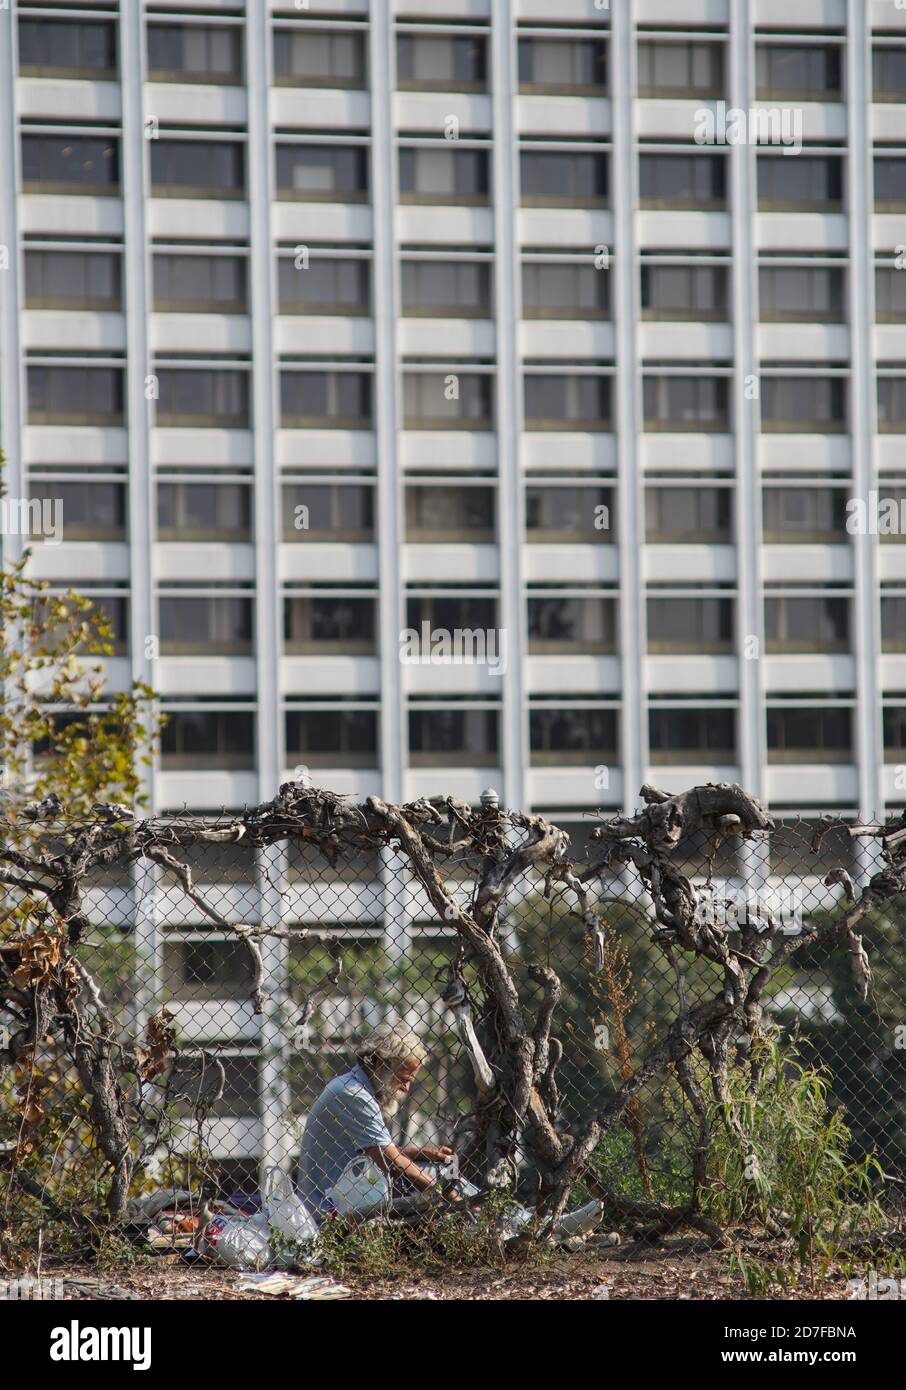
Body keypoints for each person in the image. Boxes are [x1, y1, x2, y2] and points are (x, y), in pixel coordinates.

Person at [297, 1022, 462, 1217]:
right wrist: (452, 1197)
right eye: (403, 1079)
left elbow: (373, 1152)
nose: (406, 1088)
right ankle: (475, 1213)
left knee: (435, 1168)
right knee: (438, 1181)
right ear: (381, 1064)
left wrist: (420, 1153)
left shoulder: (352, 1086)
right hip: (330, 1210)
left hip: (340, 1197)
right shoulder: (354, 1095)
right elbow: (390, 1162)